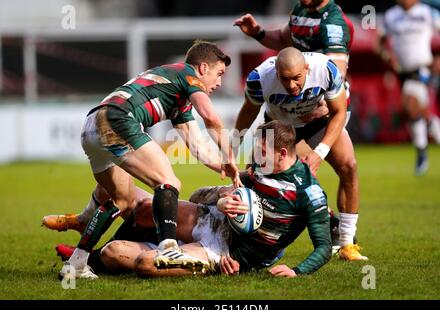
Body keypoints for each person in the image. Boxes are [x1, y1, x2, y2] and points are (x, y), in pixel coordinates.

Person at [56, 40, 242, 280]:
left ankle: (76, 265)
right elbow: (211, 118)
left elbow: (197, 146)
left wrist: (221, 165)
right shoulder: (189, 75)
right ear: (203, 68)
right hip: (118, 119)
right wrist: (230, 154)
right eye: (219, 74)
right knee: (169, 182)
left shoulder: (177, 96)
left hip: (92, 124)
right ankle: (168, 249)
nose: (219, 82)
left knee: (122, 200)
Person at [53, 121, 333, 277]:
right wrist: (223, 198)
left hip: (225, 252)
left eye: (261, 153)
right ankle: (85, 254)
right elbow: (216, 191)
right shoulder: (258, 169)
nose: (255, 160)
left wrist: (296, 271)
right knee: (142, 207)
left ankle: (97, 260)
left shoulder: (309, 192)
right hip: (213, 221)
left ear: (282, 155)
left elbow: (323, 247)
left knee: (136, 261)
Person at [233, 0, 364, 260]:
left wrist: (320, 146)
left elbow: (337, 74)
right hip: (280, 122)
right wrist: (258, 32)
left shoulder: (332, 26)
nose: (292, 85)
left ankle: (347, 242)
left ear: (306, 69)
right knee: (259, 177)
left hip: (318, 115)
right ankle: (244, 240)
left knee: (348, 165)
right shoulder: (262, 76)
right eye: (286, 80)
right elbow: (283, 39)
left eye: (297, 79)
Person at [377, 0, 440, 175]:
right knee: (420, 111)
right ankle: (435, 130)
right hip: (402, 71)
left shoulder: (427, 12)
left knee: (409, 104)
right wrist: (386, 56)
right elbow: (379, 42)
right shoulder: (391, 15)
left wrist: (438, 59)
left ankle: (421, 153)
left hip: (422, 68)